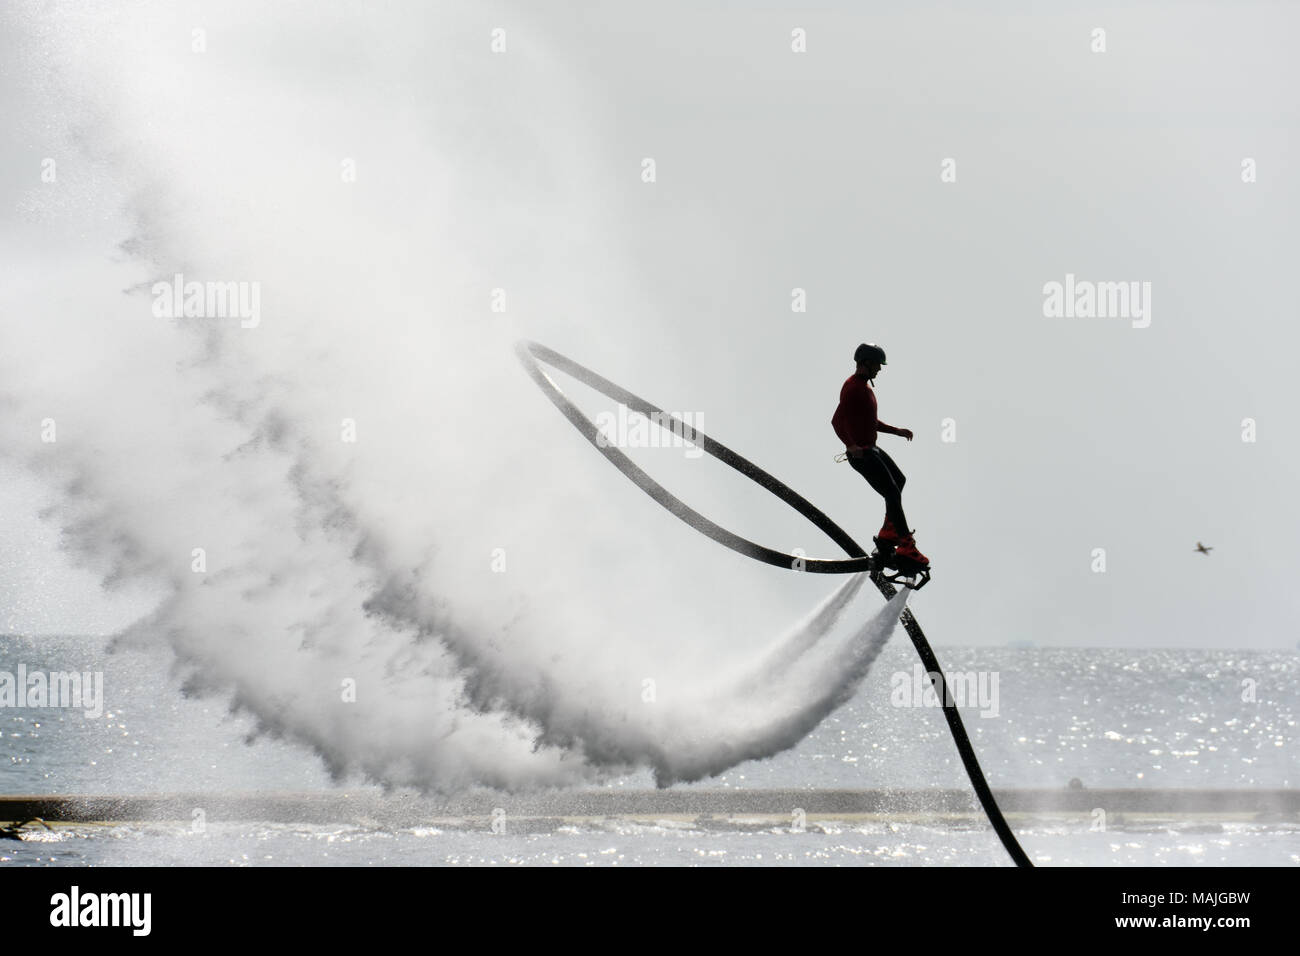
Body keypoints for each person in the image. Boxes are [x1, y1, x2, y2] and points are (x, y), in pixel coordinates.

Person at [831, 342, 929, 566]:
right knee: (891, 491)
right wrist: (850, 446)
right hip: (862, 454)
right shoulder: (852, 387)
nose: (880, 369)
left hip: (871, 449)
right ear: (866, 363)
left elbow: (869, 421)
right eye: (877, 364)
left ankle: (888, 532)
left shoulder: (865, 389)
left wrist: (896, 431)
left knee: (899, 481)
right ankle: (906, 544)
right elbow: (836, 421)